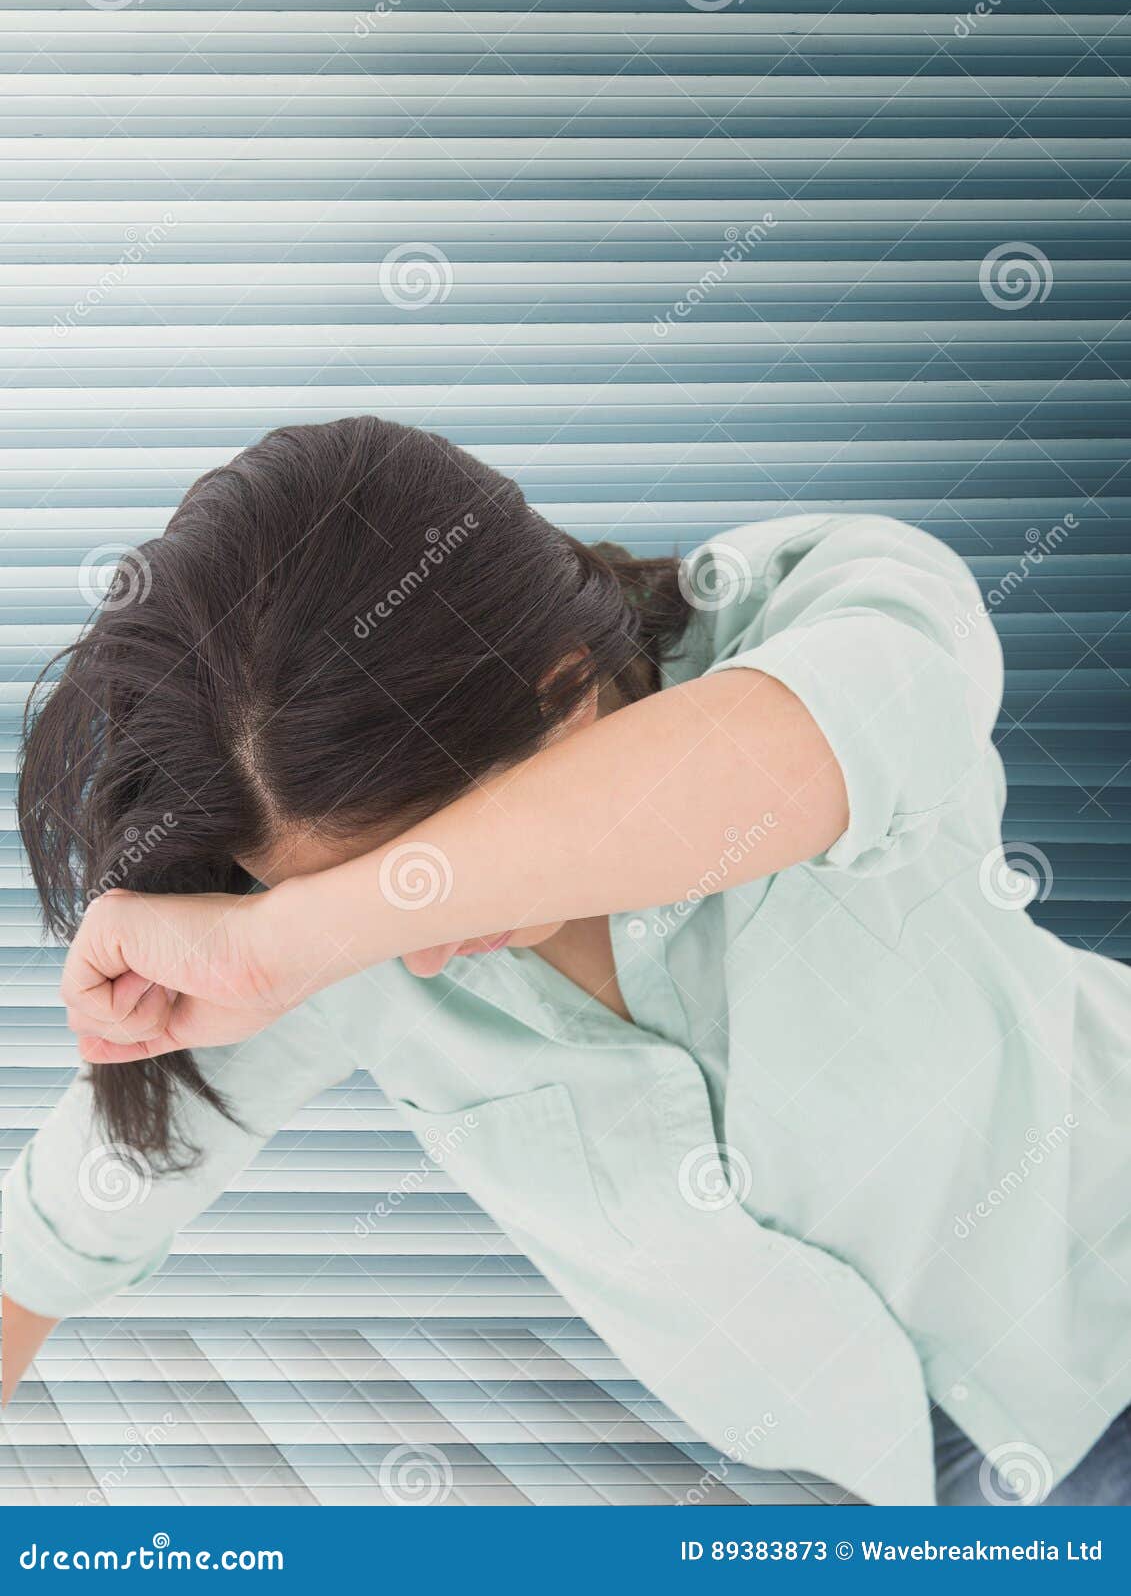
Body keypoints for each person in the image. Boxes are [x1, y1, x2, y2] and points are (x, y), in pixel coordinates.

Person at [2, 415, 1128, 1507]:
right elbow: (58, 1225)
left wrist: (294, 936)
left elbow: (818, 740)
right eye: (323, 899)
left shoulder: (822, 600)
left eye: (402, 884)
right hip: (913, 1472)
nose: (413, 951)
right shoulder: (305, 945)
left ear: (563, 683)